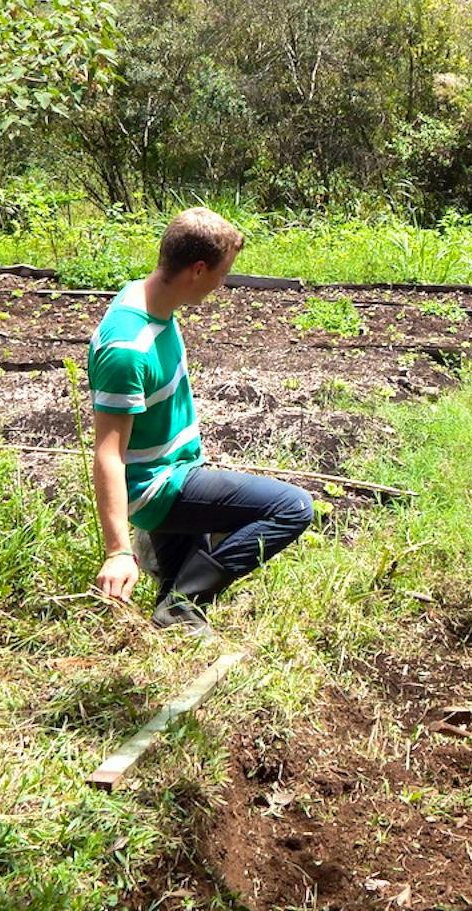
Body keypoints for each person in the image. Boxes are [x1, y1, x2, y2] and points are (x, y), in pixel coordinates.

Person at [88, 207, 314, 633]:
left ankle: (174, 608)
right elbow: (109, 454)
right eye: (221, 274)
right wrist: (118, 550)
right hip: (160, 487)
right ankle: (181, 601)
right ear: (196, 269)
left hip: (178, 467)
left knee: (177, 619)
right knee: (293, 508)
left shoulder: (147, 298)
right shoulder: (127, 349)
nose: (221, 284)